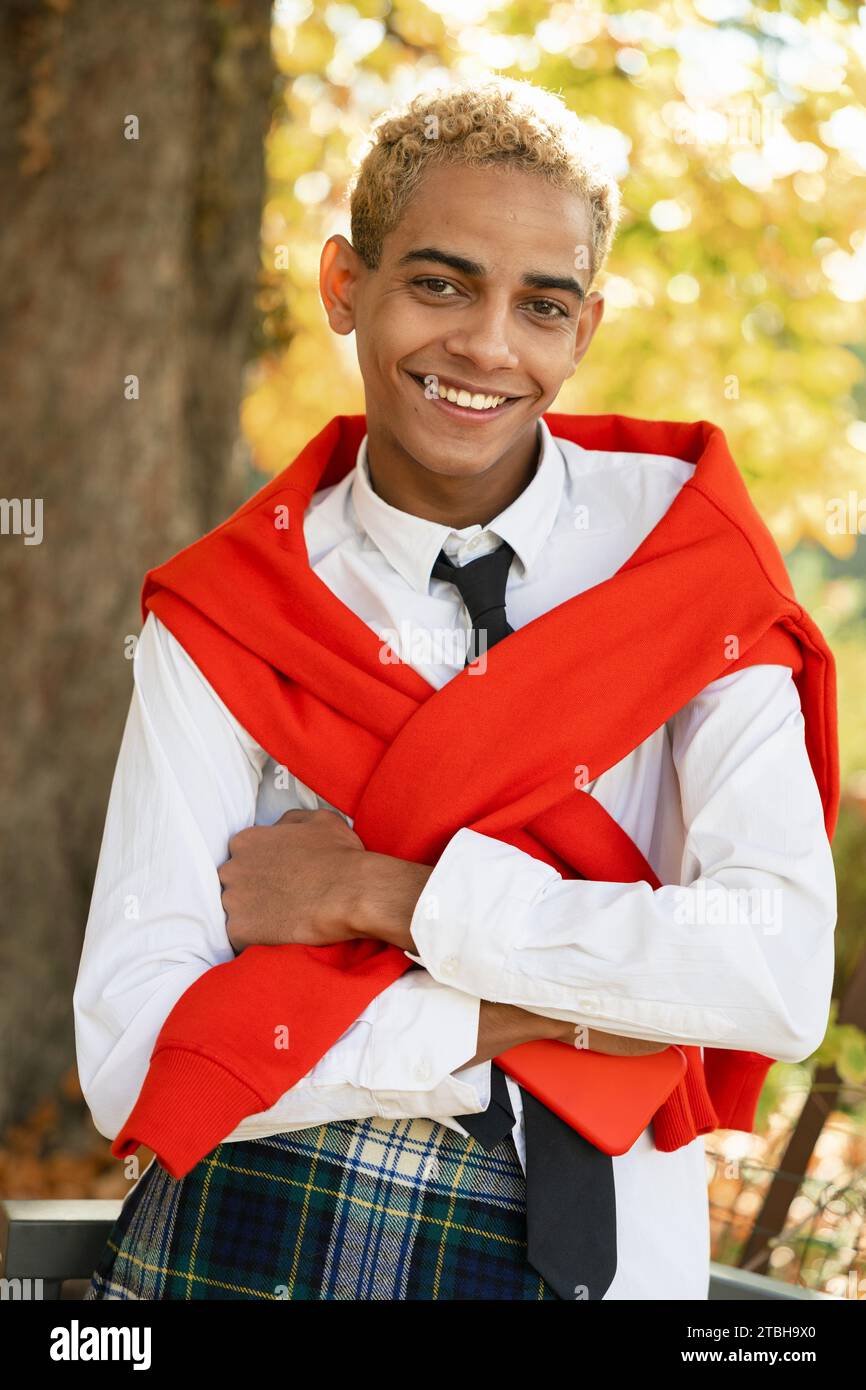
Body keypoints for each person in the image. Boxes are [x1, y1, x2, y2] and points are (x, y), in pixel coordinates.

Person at [75, 75, 838, 1301]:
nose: (486, 346)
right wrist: (545, 1014)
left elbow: (773, 971)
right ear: (344, 286)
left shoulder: (687, 561)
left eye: (540, 305)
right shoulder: (231, 611)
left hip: (608, 1262)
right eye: (438, 284)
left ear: (583, 330)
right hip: (256, 1233)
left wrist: (381, 898)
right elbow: (134, 1047)